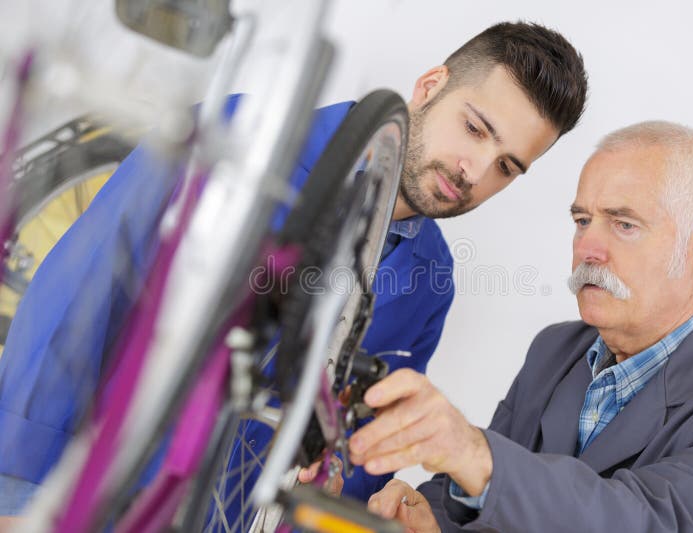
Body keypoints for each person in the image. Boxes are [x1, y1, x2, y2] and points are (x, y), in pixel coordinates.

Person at [0, 20, 588, 517]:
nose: (474, 170)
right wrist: (20, 478)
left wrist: (333, 489)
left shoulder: (431, 278)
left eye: (506, 166)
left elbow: (363, 437)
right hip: (84, 487)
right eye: (475, 128)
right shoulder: (240, 135)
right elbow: (80, 291)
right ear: (431, 86)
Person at [352, 121, 693, 532]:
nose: (588, 247)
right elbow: (477, 497)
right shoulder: (556, 350)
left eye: (624, 224)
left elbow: (639, 520)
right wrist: (424, 515)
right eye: (583, 220)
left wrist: (473, 454)